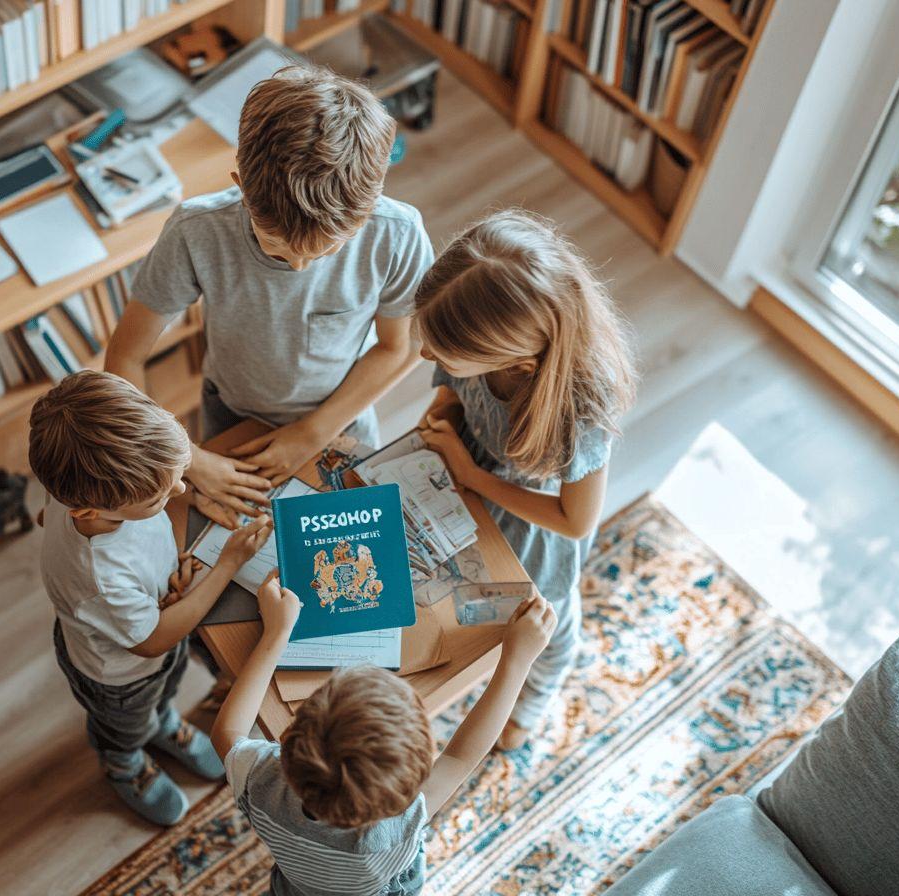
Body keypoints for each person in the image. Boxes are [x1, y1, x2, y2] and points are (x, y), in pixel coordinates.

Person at [105, 65, 433, 529]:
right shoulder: (196, 232)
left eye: (327, 252)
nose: (298, 268)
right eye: (277, 247)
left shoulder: (397, 234)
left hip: (341, 416)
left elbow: (402, 346)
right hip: (230, 412)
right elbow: (124, 358)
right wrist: (190, 460)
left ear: (369, 208)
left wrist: (313, 433)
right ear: (242, 188)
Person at [413, 209, 638, 750]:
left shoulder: (582, 408)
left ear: (519, 361)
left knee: (547, 626)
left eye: (441, 351)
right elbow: (450, 389)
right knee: (462, 601)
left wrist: (470, 476)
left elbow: (576, 521)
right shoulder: (473, 339)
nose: (424, 354)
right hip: (462, 483)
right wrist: (441, 413)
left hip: (532, 523)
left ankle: (533, 700)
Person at [28, 370, 273, 824]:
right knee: (125, 724)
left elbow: (50, 520)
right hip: (119, 675)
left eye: (177, 477)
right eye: (160, 495)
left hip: (146, 633)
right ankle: (124, 762)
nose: (180, 489)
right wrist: (227, 565)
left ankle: (162, 724)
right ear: (88, 511)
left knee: (166, 690)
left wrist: (165, 565)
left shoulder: (77, 483)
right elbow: (152, 641)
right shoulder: (100, 576)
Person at [211, 573, 557, 895]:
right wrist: (518, 659)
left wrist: (276, 634)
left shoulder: (261, 781)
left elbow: (228, 731)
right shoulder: (393, 834)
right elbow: (460, 756)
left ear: (287, 740)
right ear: (405, 793)